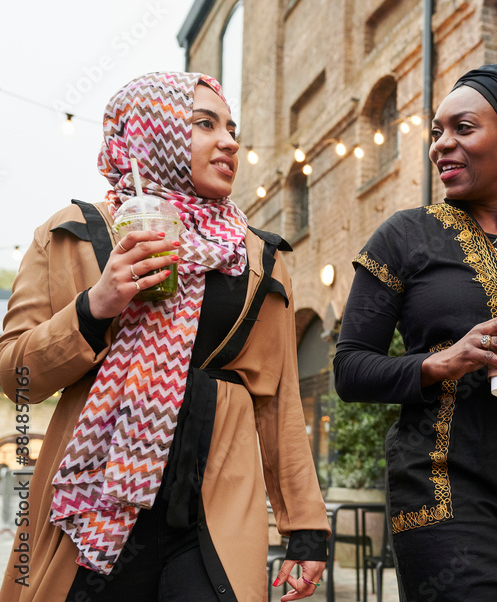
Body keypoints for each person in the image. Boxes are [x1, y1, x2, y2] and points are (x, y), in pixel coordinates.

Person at [0, 72, 329, 602]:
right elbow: (16, 376)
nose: (229, 141)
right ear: (152, 134)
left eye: (231, 128)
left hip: (216, 506)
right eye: (204, 124)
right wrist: (94, 306)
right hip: (95, 501)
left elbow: (277, 401)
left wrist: (305, 530)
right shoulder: (77, 232)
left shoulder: (259, 257)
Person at [333, 64, 497, 601]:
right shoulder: (405, 237)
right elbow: (349, 367)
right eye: (436, 132)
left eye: (463, 129)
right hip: (443, 490)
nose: (441, 146)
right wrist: (442, 362)